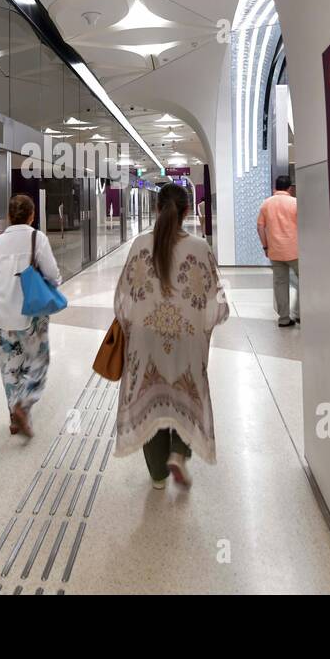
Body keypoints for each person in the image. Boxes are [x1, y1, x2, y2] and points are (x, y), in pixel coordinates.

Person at [113, 183, 228, 489]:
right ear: (187, 211)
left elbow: (124, 297)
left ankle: (158, 475)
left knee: (151, 396)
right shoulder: (200, 248)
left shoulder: (139, 245)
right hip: (187, 338)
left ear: (156, 209)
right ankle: (179, 452)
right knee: (184, 392)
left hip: (146, 338)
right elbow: (215, 302)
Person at [0, 193, 61, 437]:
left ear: (8, 217)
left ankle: (14, 416)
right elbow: (53, 273)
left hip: (2, 316)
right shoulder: (38, 239)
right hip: (32, 314)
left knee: (10, 367)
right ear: (32, 215)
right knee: (38, 360)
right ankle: (24, 405)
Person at [257, 175, 299, 327]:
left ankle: (284, 318)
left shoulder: (266, 204)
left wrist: (265, 246)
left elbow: (260, 226)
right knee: (304, 281)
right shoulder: (295, 203)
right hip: (295, 250)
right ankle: (299, 313)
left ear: (276, 187)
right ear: (290, 188)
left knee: (280, 283)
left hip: (275, 250)